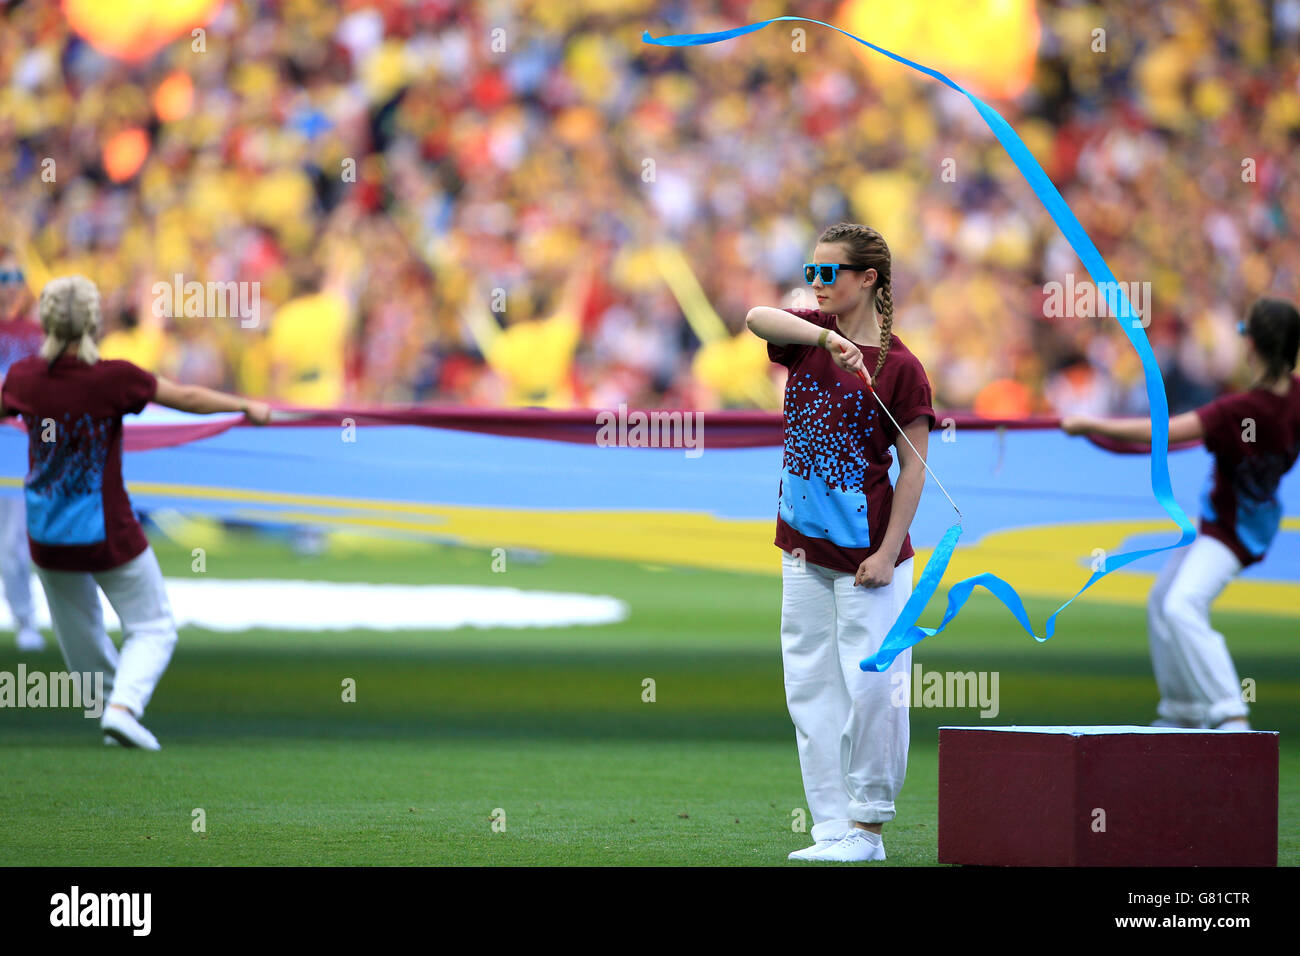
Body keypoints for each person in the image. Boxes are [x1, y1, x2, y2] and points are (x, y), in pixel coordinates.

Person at [0, 275, 271, 749]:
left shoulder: (24, 379)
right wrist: (246, 406)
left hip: (48, 531)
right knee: (153, 625)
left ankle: (114, 711)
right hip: (108, 530)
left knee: (80, 638)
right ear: (94, 322)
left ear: (45, 321)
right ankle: (123, 709)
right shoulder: (115, 378)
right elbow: (186, 398)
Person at [746, 222, 935, 862]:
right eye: (813, 271)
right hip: (801, 549)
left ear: (868, 279)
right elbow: (756, 316)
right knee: (809, 685)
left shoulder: (902, 367)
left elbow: (914, 469)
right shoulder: (810, 338)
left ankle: (869, 827)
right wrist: (828, 336)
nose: (817, 283)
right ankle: (830, 825)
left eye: (830, 273)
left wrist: (885, 552)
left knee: (875, 689)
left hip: (868, 560)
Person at [1062, 297, 1300, 730]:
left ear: (1252, 345)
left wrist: (1090, 424)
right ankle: (1183, 709)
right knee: (1161, 601)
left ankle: (1230, 711)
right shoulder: (1292, 399)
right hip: (1232, 523)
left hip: (1233, 531)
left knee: (1181, 605)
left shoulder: (1237, 411)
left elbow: (1162, 433)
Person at [0, 249, 46, 651]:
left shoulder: (36, 334)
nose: (12, 286)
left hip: (17, 447)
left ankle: (25, 619)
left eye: (17, 277)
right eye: (4, 278)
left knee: (14, 540)